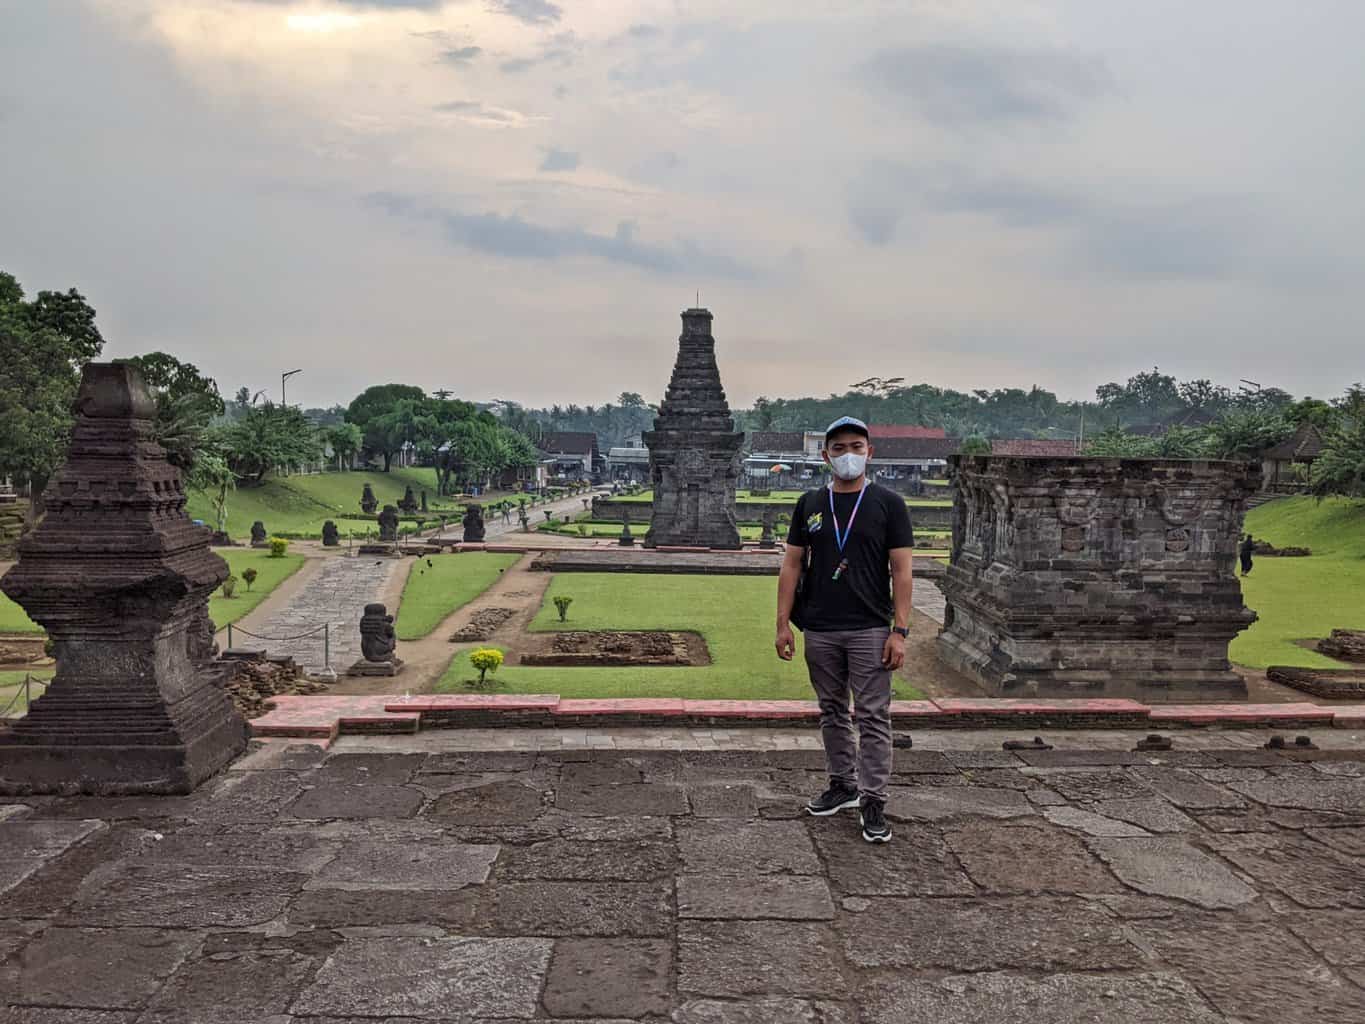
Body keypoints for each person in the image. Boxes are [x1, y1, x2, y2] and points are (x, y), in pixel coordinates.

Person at [776, 416, 915, 844]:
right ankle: (843, 784)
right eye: (839, 449)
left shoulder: (888, 504)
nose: (848, 455)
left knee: (872, 715)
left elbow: (902, 571)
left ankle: (873, 800)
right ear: (825, 456)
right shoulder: (811, 504)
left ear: (870, 452)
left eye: (856, 447)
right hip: (820, 626)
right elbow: (792, 564)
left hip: (870, 626)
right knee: (832, 710)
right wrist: (782, 623)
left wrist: (900, 630)